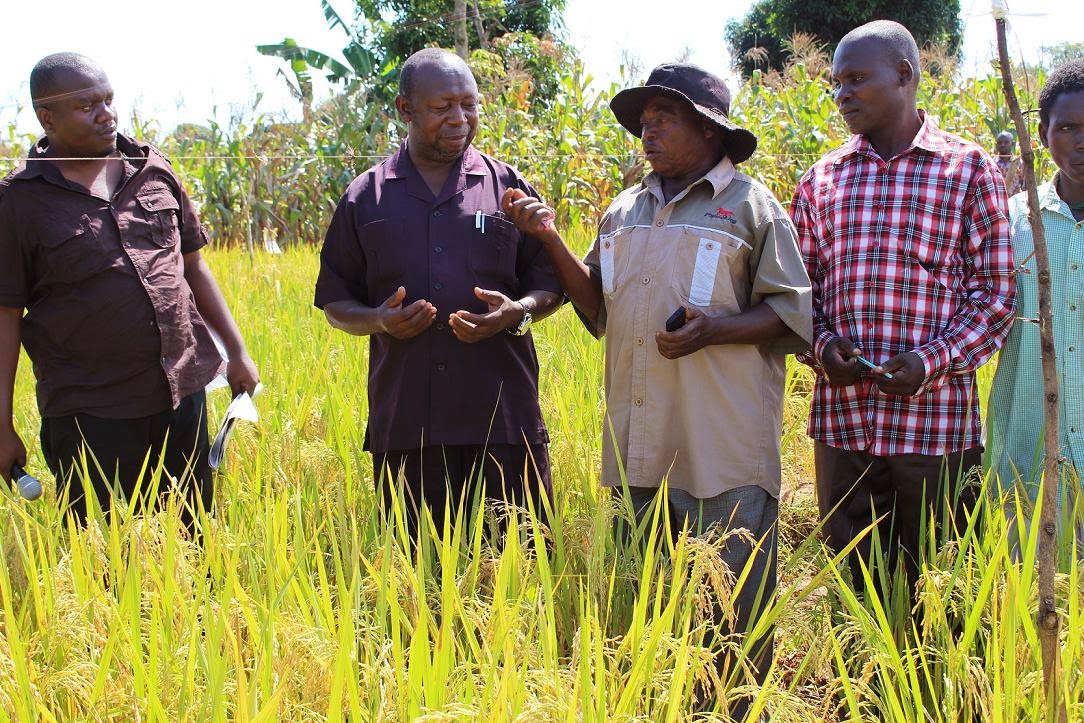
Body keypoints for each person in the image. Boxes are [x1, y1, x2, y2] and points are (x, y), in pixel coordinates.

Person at [503, 62, 812, 717]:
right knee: (649, 600)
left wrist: (714, 330)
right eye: (642, 121)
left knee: (733, 604)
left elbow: (790, 313)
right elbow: (597, 310)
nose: (646, 130)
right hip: (639, 446)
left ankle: (733, 710)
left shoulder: (751, 206)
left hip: (721, 447)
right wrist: (549, 236)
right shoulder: (623, 210)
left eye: (662, 117)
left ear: (707, 127)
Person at [791, 21, 1016, 599]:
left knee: (940, 596)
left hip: (936, 428)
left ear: (905, 75)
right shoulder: (822, 180)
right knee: (855, 593)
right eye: (837, 82)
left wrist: (928, 362)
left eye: (857, 79)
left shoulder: (968, 169)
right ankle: (861, 692)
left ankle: (937, 693)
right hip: (844, 426)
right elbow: (798, 295)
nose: (842, 94)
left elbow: (994, 298)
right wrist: (822, 348)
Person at [0, 53, 260, 529]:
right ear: (47, 118)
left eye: (108, 100)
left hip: (181, 392)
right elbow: (5, 318)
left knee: (191, 537)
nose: (106, 114)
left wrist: (237, 352)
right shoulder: (19, 202)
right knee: (102, 553)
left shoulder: (152, 169)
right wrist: (1, 423)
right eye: (86, 106)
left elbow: (194, 269)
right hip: (90, 410)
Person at [313, 49, 561, 539]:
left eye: (469, 105)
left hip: (503, 423)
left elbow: (550, 285)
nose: (460, 119)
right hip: (408, 427)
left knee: (520, 578)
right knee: (418, 586)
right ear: (406, 109)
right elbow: (336, 303)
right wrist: (378, 320)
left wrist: (518, 312)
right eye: (442, 107)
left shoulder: (506, 186)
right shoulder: (366, 197)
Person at [987, 59, 1084, 542]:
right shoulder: (1013, 222)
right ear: (1043, 134)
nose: (1081, 141)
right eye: (1067, 127)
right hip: (1028, 446)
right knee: (1028, 592)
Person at [995, 130, 1025, 197]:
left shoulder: (1019, 163)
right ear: (996, 145)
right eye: (1000, 143)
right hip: (997, 202)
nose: (1003, 145)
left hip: (1015, 203)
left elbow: (1025, 187)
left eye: (1006, 142)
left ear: (1012, 143)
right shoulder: (992, 164)